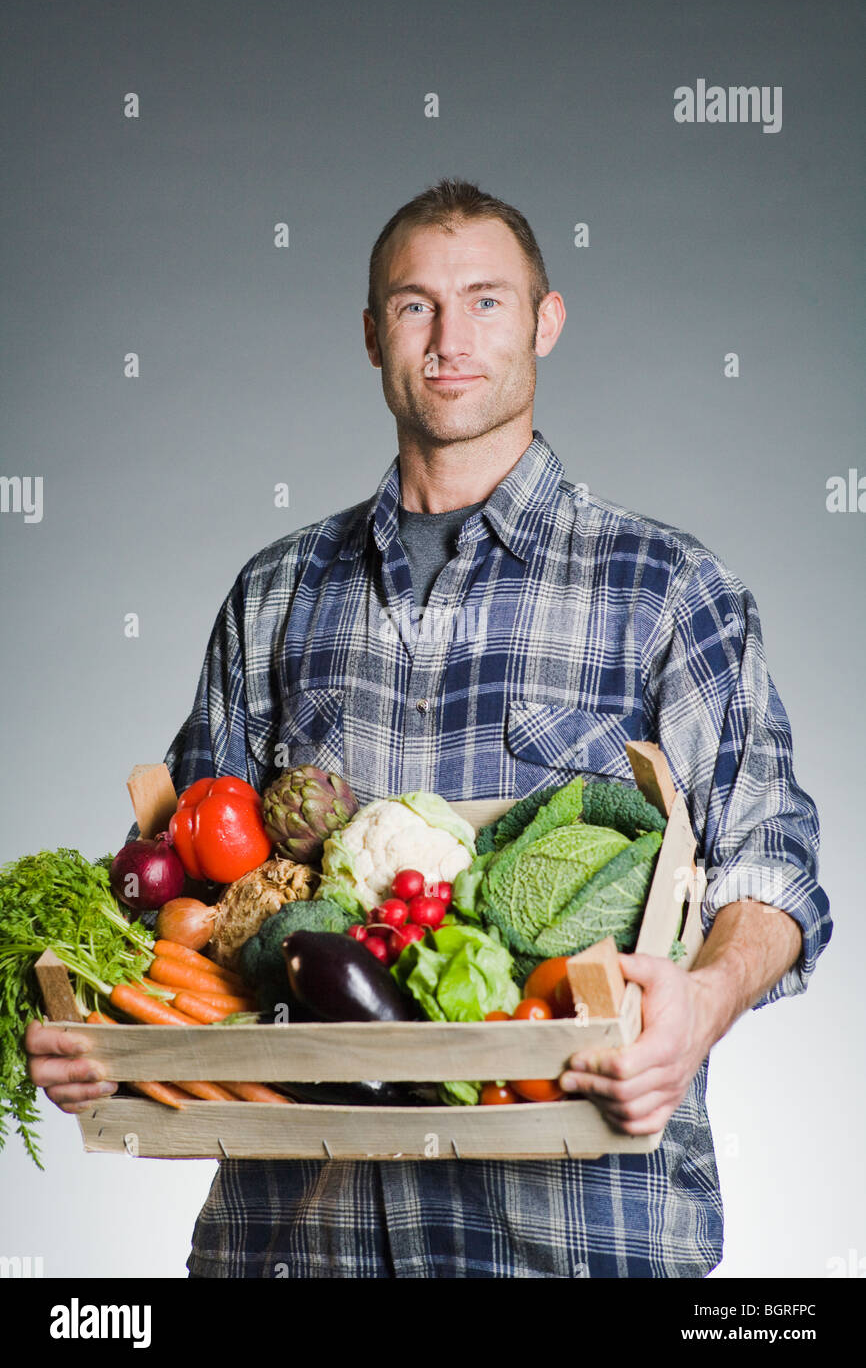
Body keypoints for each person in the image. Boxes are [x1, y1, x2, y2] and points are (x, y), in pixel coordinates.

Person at [26, 178, 832, 1278]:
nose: (451, 338)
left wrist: (702, 999)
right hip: (302, 1246)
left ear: (546, 320)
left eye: (486, 302)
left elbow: (770, 863)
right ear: (371, 336)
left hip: (576, 1245)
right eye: (414, 306)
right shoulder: (273, 593)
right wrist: (104, 1039)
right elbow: (180, 896)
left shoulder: (666, 588)